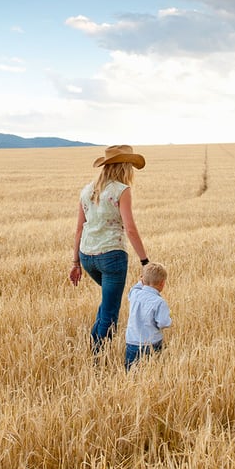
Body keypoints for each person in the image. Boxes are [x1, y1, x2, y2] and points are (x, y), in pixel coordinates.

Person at [69, 145, 150, 353]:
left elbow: (79, 229)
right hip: (112, 256)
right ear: (124, 166)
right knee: (111, 312)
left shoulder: (87, 190)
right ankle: (98, 358)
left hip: (87, 256)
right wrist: (145, 261)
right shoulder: (122, 190)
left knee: (107, 302)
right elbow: (130, 229)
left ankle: (93, 347)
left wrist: (75, 262)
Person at [124, 262, 172, 370]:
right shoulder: (160, 302)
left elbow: (135, 287)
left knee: (131, 371)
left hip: (132, 342)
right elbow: (163, 323)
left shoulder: (134, 294)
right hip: (152, 343)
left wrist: (142, 280)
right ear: (162, 283)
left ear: (142, 280)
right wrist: (169, 318)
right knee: (153, 370)